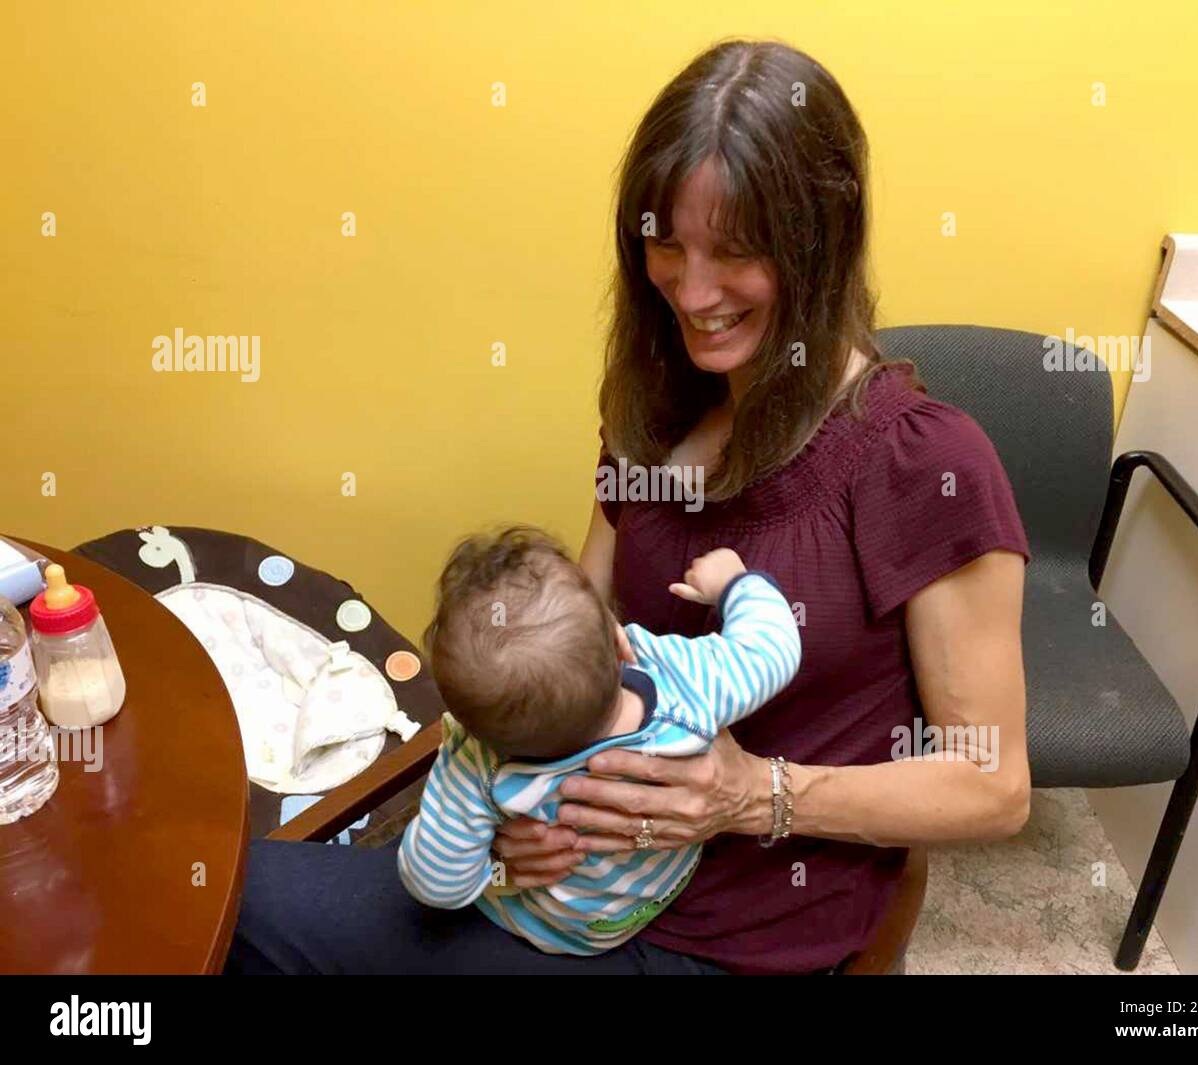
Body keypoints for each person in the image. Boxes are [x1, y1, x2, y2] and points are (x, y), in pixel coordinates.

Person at [225, 38, 1031, 976]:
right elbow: (588, 629)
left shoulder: (925, 462)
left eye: (735, 253)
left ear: (820, 246)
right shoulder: (654, 410)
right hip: (572, 884)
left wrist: (753, 795)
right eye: (667, 245)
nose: (692, 293)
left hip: (733, 936)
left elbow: (994, 786)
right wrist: (503, 835)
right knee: (222, 900)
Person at [398, 527, 800, 955]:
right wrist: (737, 585)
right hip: (664, 883)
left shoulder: (477, 763)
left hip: (556, 926)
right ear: (617, 639)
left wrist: (494, 872)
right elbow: (773, 651)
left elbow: (435, 882)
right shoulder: (684, 687)